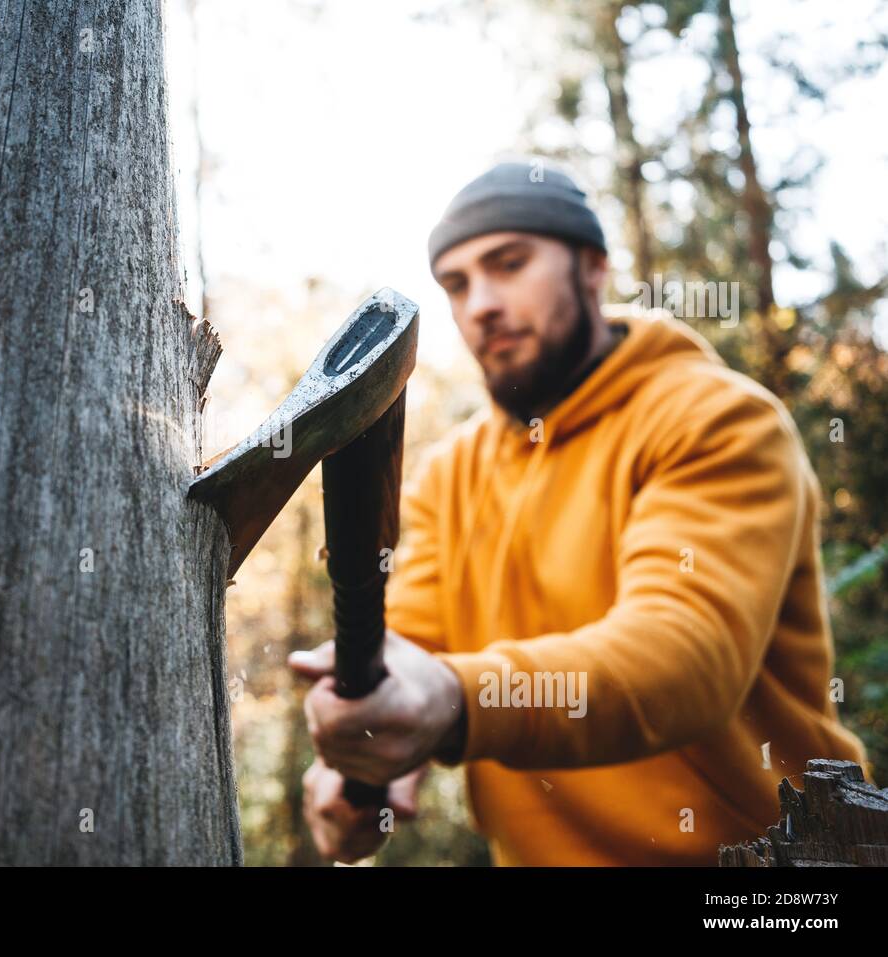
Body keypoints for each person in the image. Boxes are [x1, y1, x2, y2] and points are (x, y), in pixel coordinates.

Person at [289, 160, 871, 865]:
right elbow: (414, 653)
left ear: (593, 268)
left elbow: (684, 657)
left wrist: (453, 699)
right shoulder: (451, 472)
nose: (482, 304)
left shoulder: (718, 419)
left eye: (508, 264)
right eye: (458, 284)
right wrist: (367, 753)